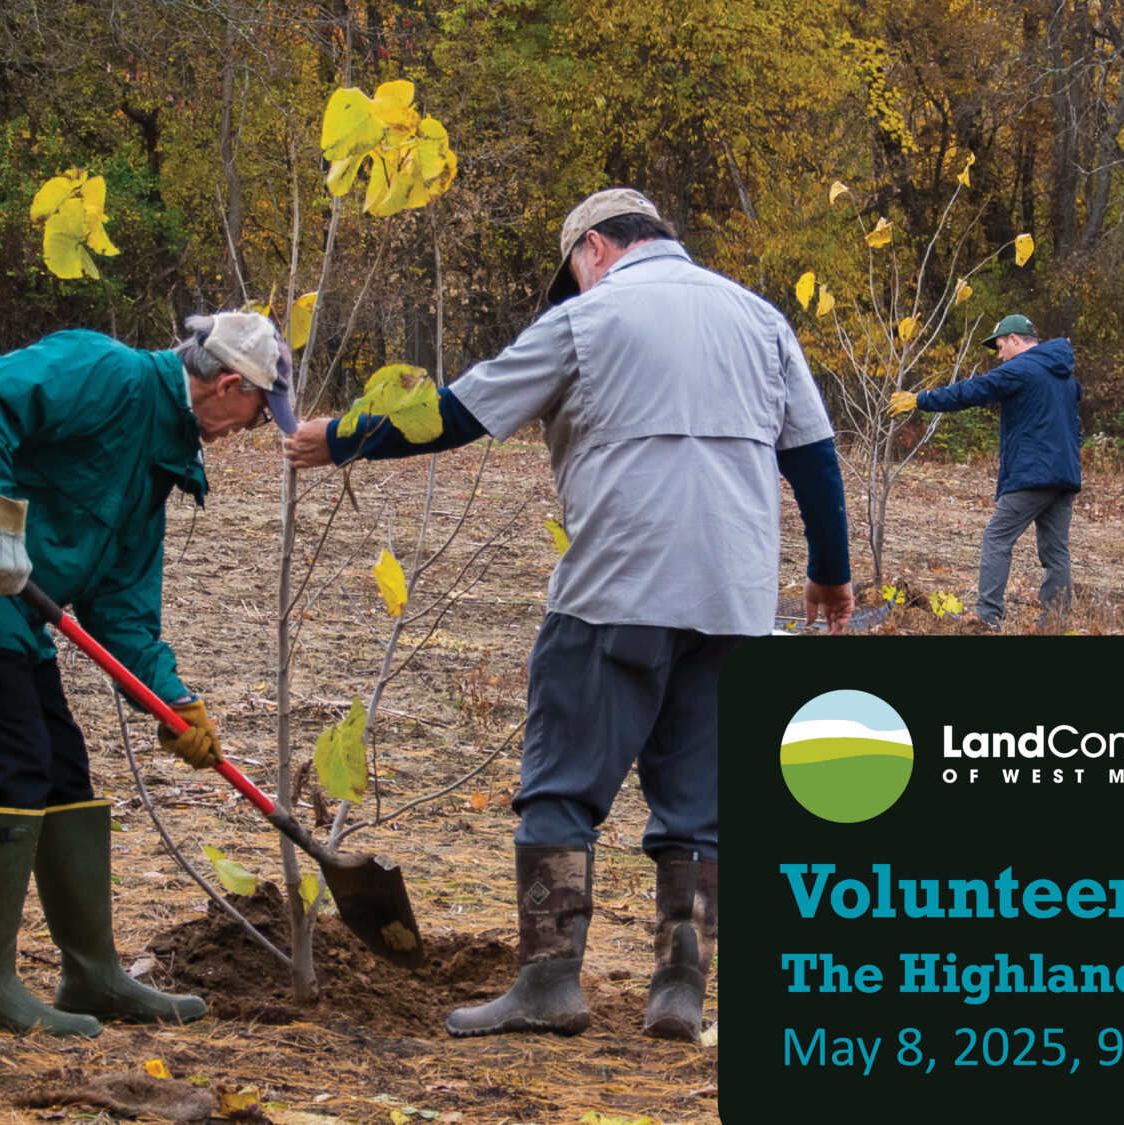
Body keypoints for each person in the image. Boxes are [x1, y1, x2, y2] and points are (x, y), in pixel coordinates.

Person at [284, 187, 855, 1042]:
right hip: (735, 597)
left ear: (593, 247)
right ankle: (679, 988)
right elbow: (813, 457)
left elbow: (455, 413)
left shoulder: (591, 321)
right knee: (699, 801)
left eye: (574, 273)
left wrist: (337, 438)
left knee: (562, 784)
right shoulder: (761, 320)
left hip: (616, 589)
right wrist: (830, 575)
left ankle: (550, 983)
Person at [0, 312, 295, 1036]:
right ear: (230, 384)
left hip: (16, 598)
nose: (251, 429)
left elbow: (123, 610)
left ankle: (92, 975)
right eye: (259, 413)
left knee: (64, 768)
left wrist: (175, 701)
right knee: (15, 763)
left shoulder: (160, 458)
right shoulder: (104, 373)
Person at [886, 313, 1082, 630]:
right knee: (1055, 551)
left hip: (1033, 473)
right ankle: (1056, 622)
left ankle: (988, 615)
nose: (1000, 354)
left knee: (997, 537)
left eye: (1001, 345)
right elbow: (1075, 428)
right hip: (1065, 476)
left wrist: (921, 400)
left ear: (1016, 340)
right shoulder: (1065, 377)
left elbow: (975, 390)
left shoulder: (1021, 368)